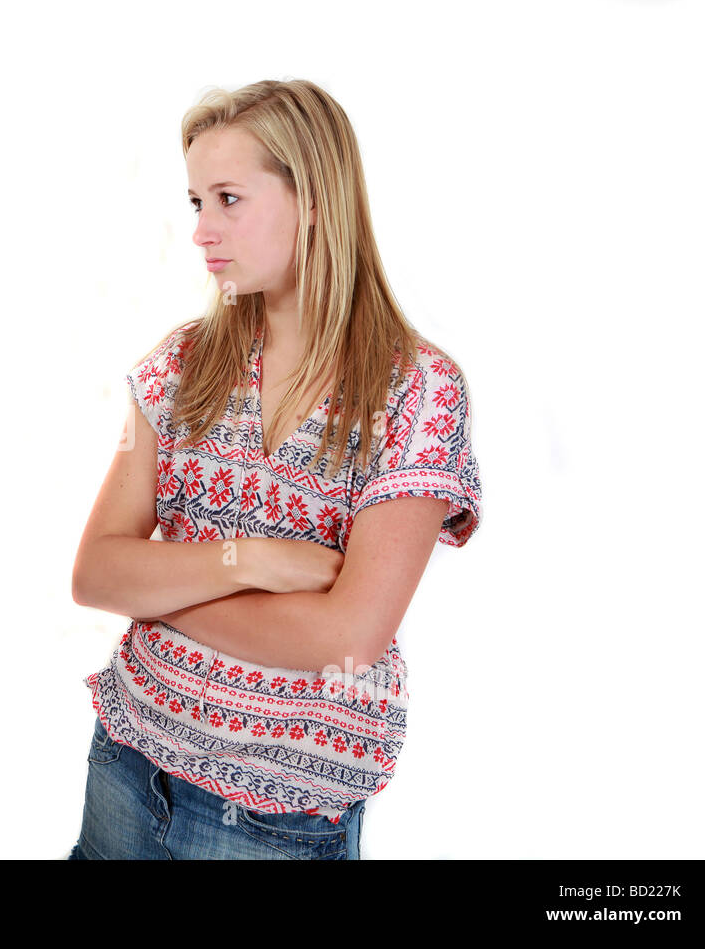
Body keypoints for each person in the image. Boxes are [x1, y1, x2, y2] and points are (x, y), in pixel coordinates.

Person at [69, 79, 482, 860]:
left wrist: (162, 590)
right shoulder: (182, 364)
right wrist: (250, 561)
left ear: (316, 198)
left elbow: (348, 639)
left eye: (228, 198)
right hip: (126, 764)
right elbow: (95, 572)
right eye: (196, 202)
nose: (202, 231)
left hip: (273, 820)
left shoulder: (419, 391)